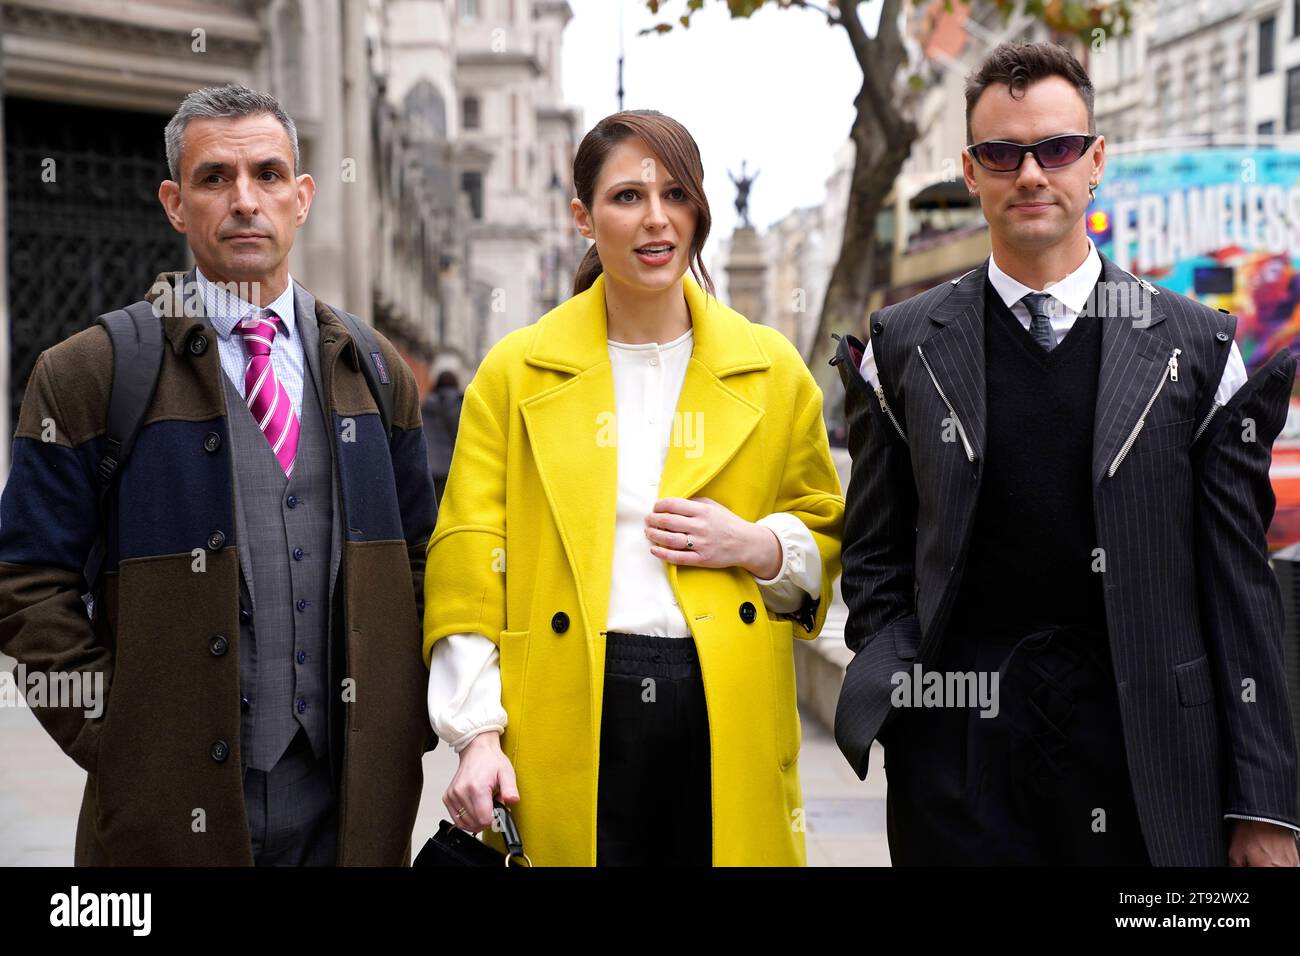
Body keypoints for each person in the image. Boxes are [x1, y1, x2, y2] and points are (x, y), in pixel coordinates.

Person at [833, 41, 1300, 867]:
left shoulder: (1195, 347)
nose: (1031, 174)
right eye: (1002, 154)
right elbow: (874, 553)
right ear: (971, 172)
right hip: (959, 769)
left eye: (1055, 148)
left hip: (1150, 764)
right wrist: (906, 699)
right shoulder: (904, 347)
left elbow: (1241, 590)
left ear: (1095, 162)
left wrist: (1263, 806)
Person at [0, 84, 436, 865]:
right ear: (174, 203)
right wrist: (121, 739)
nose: (245, 201)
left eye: (268, 175)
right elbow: (27, 582)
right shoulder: (88, 372)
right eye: (214, 178)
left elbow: (421, 564)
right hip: (164, 824)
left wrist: (407, 722)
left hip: (348, 816)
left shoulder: (375, 372)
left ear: (302, 198)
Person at [423, 110, 844, 866]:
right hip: (567, 703)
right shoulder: (515, 373)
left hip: (727, 704)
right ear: (582, 215)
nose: (656, 219)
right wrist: (476, 733)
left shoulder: (773, 370)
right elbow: (468, 565)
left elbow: (827, 537)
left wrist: (754, 544)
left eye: (676, 194)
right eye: (627, 197)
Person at [421, 370, 463, 505]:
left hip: (429, 464)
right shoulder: (459, 405)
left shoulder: (426, 404)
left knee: (432, 504)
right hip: (450, 465)